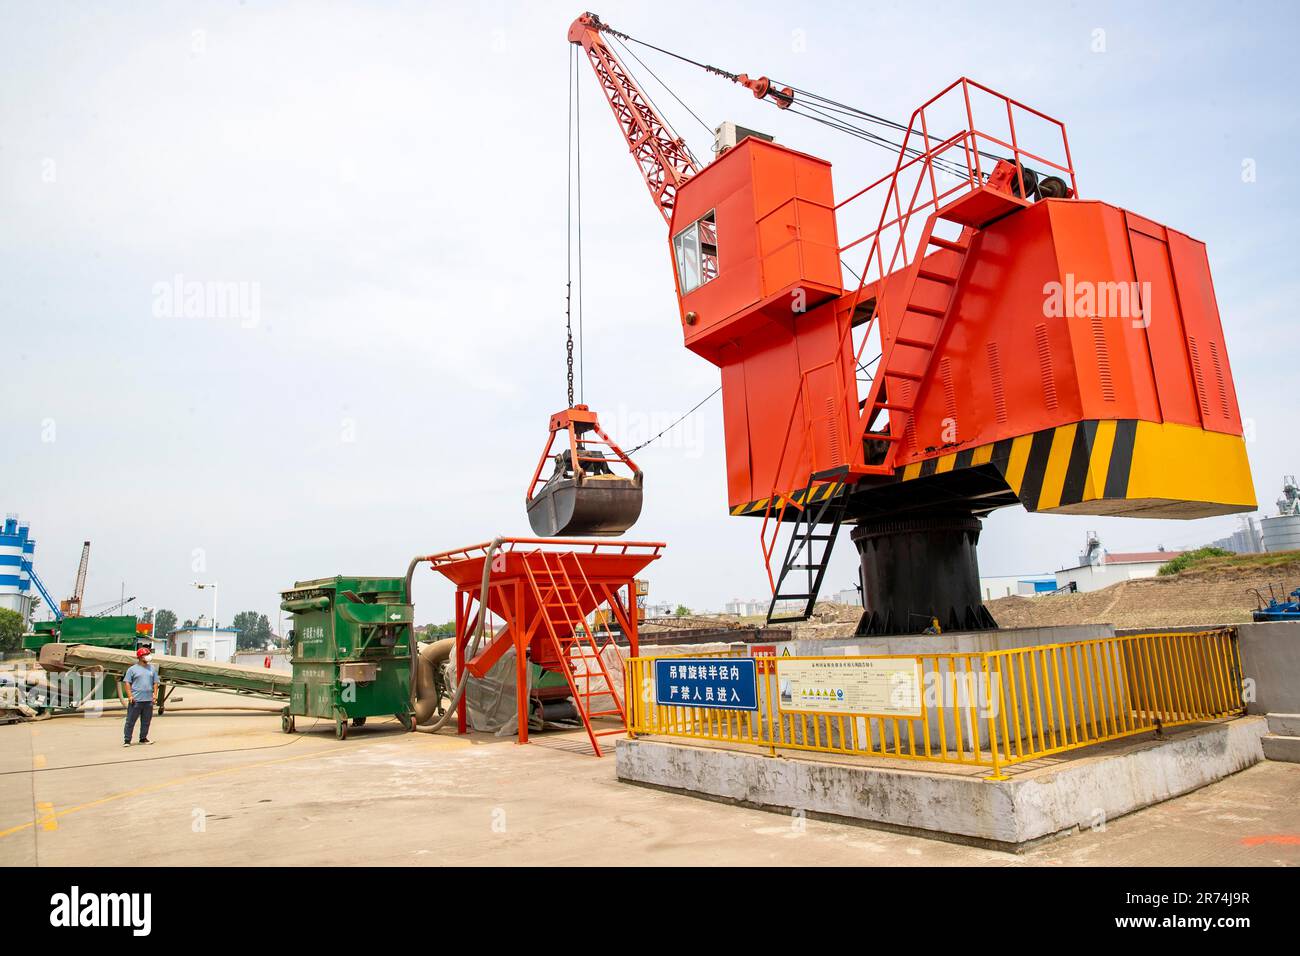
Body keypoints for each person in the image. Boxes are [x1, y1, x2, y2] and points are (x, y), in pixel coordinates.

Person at [122, 647, 159, 747]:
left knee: (146, 721)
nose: (148, 656)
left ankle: (143, 738)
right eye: (145, 655)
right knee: (130, 721)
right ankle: (127, 740)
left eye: (148, 654)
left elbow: (155, 683)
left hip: (148, 700)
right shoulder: (132, 669)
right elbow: (127, 683)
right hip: (136, 700)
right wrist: (130, 696)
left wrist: (155, 695)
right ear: (139, 657)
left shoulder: (152, 668)